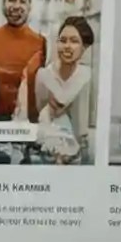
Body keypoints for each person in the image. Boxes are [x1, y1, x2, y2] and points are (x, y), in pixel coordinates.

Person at [35, 17, 95, 164]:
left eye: (74, 41)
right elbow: (39, 110)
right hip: (48, 149)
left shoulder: (86, 75)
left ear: (84, 47)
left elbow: (90, 118)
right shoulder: (44, 75)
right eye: (63, 40)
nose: (67, 46)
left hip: (79, 152)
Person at [0, 0, 46, 122]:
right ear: (3, 4)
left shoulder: (41, 43)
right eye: (12, 0)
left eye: (22, 1)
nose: (16, 6)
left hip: (27, 120)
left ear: (29, 7)